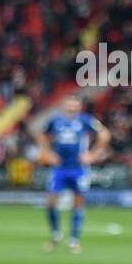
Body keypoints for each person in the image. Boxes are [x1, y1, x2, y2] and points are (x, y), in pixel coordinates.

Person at [36, 94, 110, 254]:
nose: (71, 106)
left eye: (74, 103)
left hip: (78, 169)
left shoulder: (85, 120)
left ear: (78, 106)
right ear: (63, 105)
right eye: (68, 103)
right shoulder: (55, 121)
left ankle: (74, 240)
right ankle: (55, 235)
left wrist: (93, 154)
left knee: (78, 203)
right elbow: (42, 136)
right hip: (60, 168)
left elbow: (104, 134)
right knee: (51, 202)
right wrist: (47, 153)